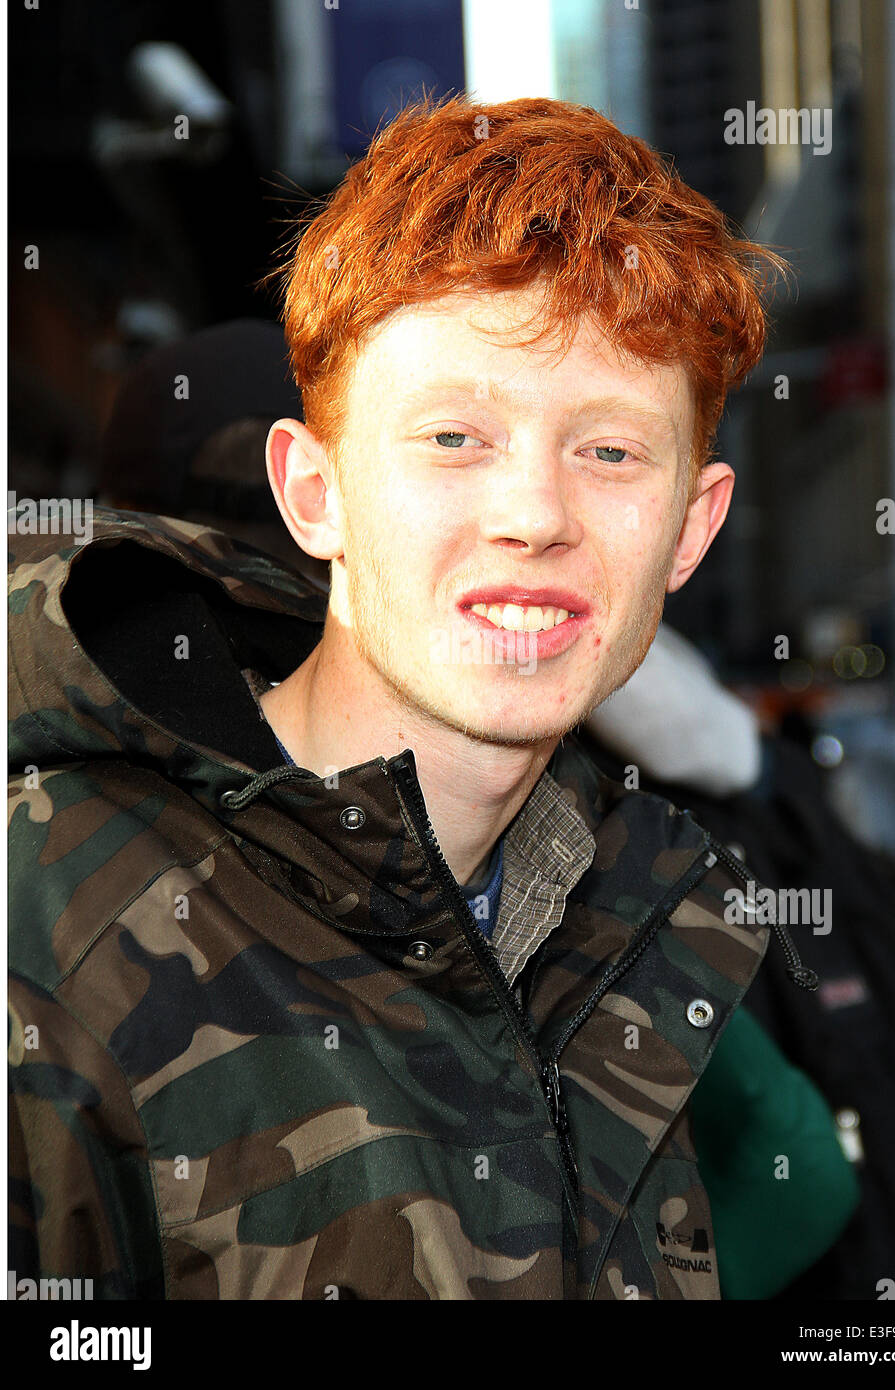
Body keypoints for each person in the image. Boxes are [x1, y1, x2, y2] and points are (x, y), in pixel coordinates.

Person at [8, 94, 814, 1301]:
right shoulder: (44, 932)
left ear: (691, 530)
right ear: (313, 492)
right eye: (453, 437)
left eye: (610, 451)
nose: (535, 515)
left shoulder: (624, 928)